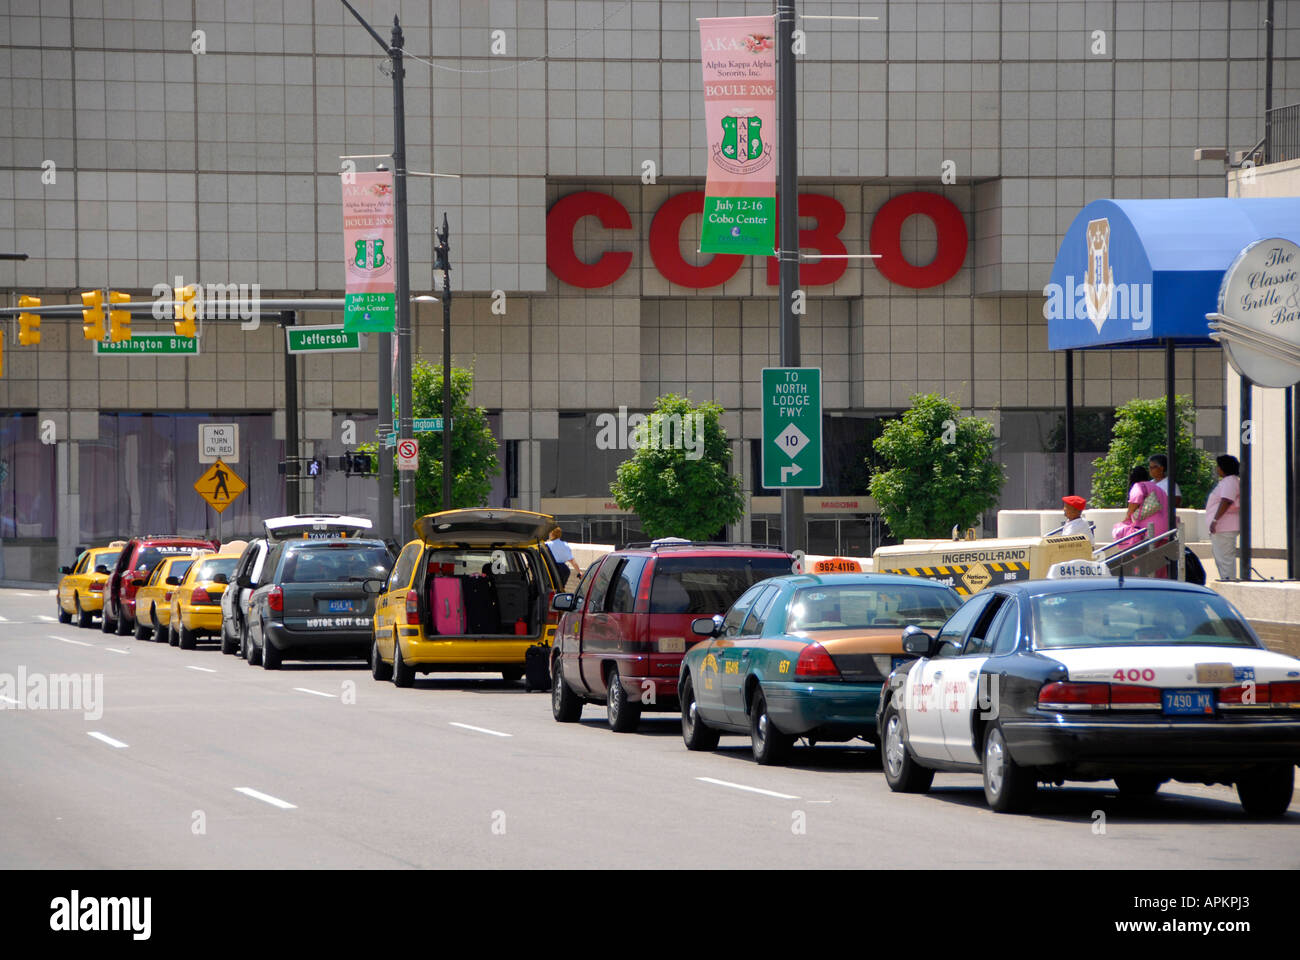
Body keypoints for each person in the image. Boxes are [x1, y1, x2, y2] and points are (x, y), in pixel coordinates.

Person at [1205, 454, 1241, 580]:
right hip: (1223, 527)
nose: (1217, 469)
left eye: (1218, 466)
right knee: (1221, 557)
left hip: (1224, 526)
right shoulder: (1229, 481)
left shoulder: (1230, 481)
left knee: (1225, 558)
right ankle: (1226, 579)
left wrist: (1215, 520)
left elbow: (1226, 500)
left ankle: (1228, 580)